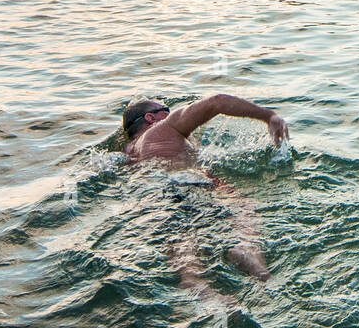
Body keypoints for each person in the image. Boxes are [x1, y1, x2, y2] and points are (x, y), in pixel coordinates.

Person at [122, 94, 289, 283]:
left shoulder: (130, 154)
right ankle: (247, 252)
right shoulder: (164, 128)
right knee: (242, 205)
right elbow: (215, 102)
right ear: (150, 118)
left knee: (181, 244)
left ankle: (200, 290)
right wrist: (268, 115)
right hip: (188, 184)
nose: (169, 113)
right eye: (165, 110)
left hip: (152, 198)